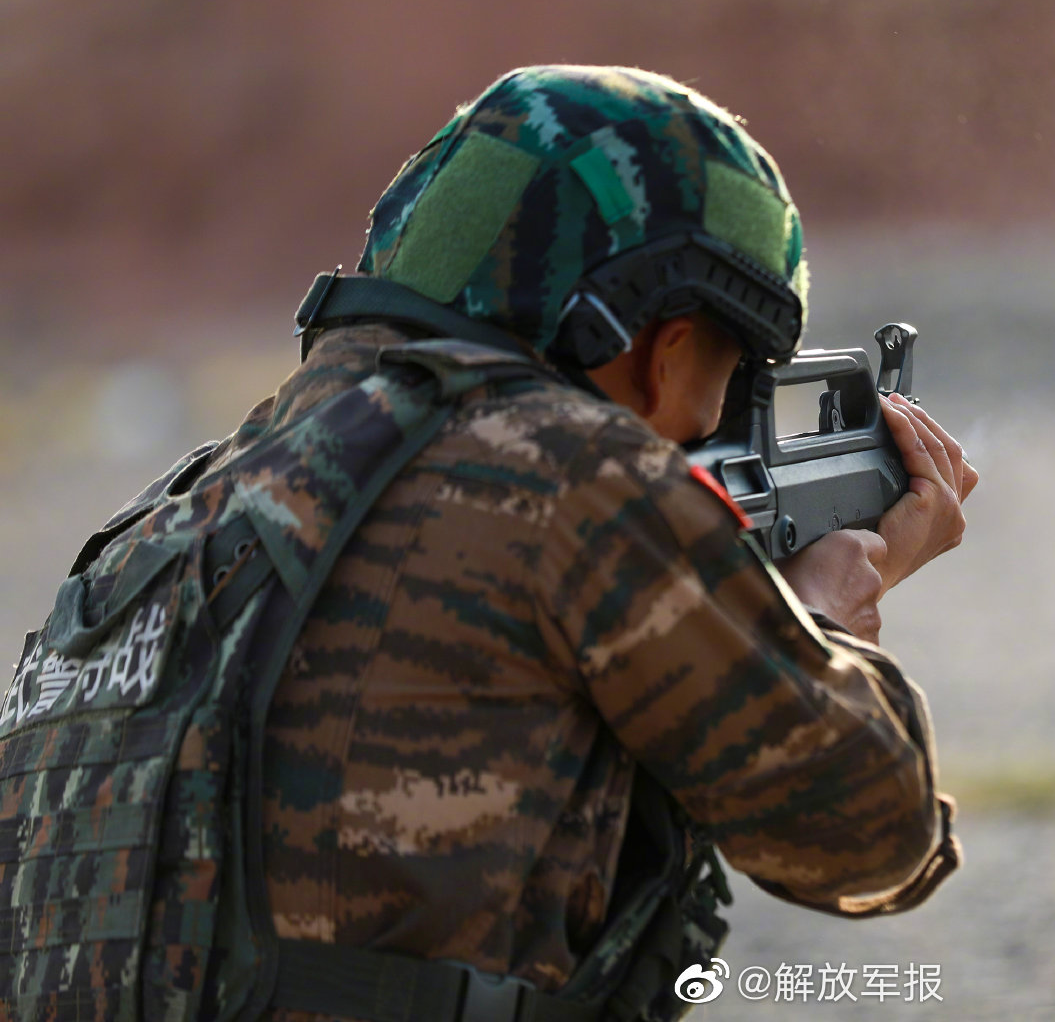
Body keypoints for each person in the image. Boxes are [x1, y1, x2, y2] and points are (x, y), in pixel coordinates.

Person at [0, 65, 976, 1022]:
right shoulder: (573, 474)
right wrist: (822, 621)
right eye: (725, 382)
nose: (708, 426)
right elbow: (866, 842)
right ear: (662, 344)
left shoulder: (164, 523)